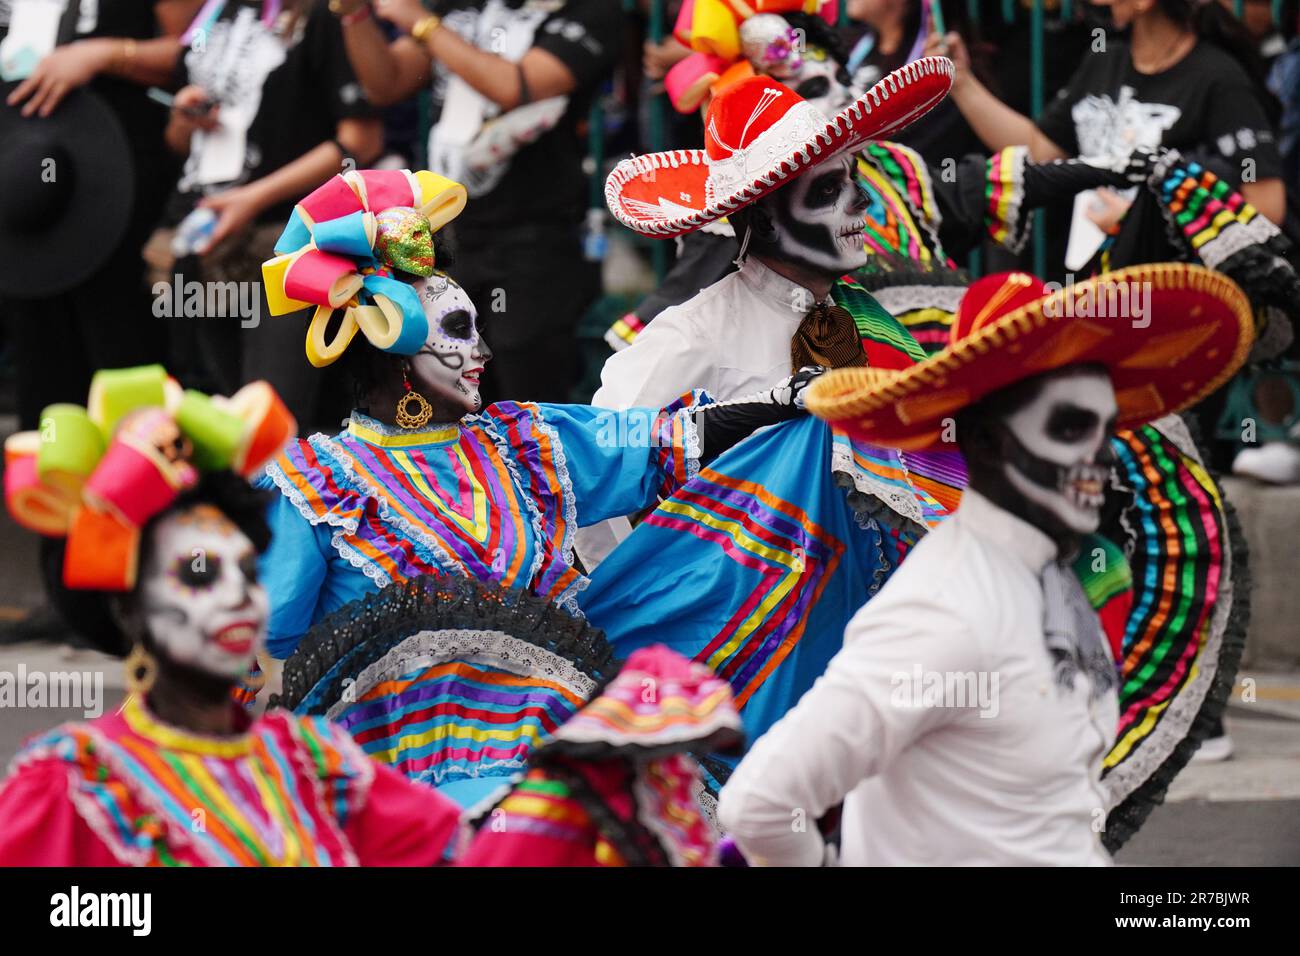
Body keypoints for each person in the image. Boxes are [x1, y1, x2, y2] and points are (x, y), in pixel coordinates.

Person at [716, 264, 1254, 865]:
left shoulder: (1064, 578)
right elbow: (762, 803)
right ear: (988, 441)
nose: (1100, 459)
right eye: (1071, 426)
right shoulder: (944, 610)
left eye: (1106, 431)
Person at [256, 167, 827, 661]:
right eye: (459, 331)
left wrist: (780, 404)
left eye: (479, 329)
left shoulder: (523, 442)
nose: (483, 353)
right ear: (392, 352)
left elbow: (665, 441)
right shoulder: (315, 485)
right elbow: (263, 638)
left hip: (543, 734)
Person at [0, 368, 465, 866]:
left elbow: (462, 850)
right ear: (130, 608)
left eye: (247, 571)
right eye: (200, 576)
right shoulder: (74, 783)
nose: (237, 595)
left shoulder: (315, 763)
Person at [328, 0, 621, 404]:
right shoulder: (461, 9)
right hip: (451, 235)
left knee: (527, 400)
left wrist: (422, 24)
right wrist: (355, 15)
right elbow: (386, 83)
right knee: (450, 390)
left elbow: (514, 85)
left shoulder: (588, 13)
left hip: (536, 237)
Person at [162, 0, 382, 431]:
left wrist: (254, 198)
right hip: (210, 242)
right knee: (226, 423)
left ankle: (305, 498)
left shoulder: (323, 15)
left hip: (290, 244)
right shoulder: (214, 13)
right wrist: (184, 120)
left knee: (273, 424)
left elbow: (361, 140)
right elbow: (178, 143)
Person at [928, 0, 1285, 226]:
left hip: (1176, 300)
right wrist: (961, 82)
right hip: (1101, 289)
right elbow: (1039, 150)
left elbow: (1267, 205)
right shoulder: (1104, 60)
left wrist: (1143, 221)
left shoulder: (1218, 77)